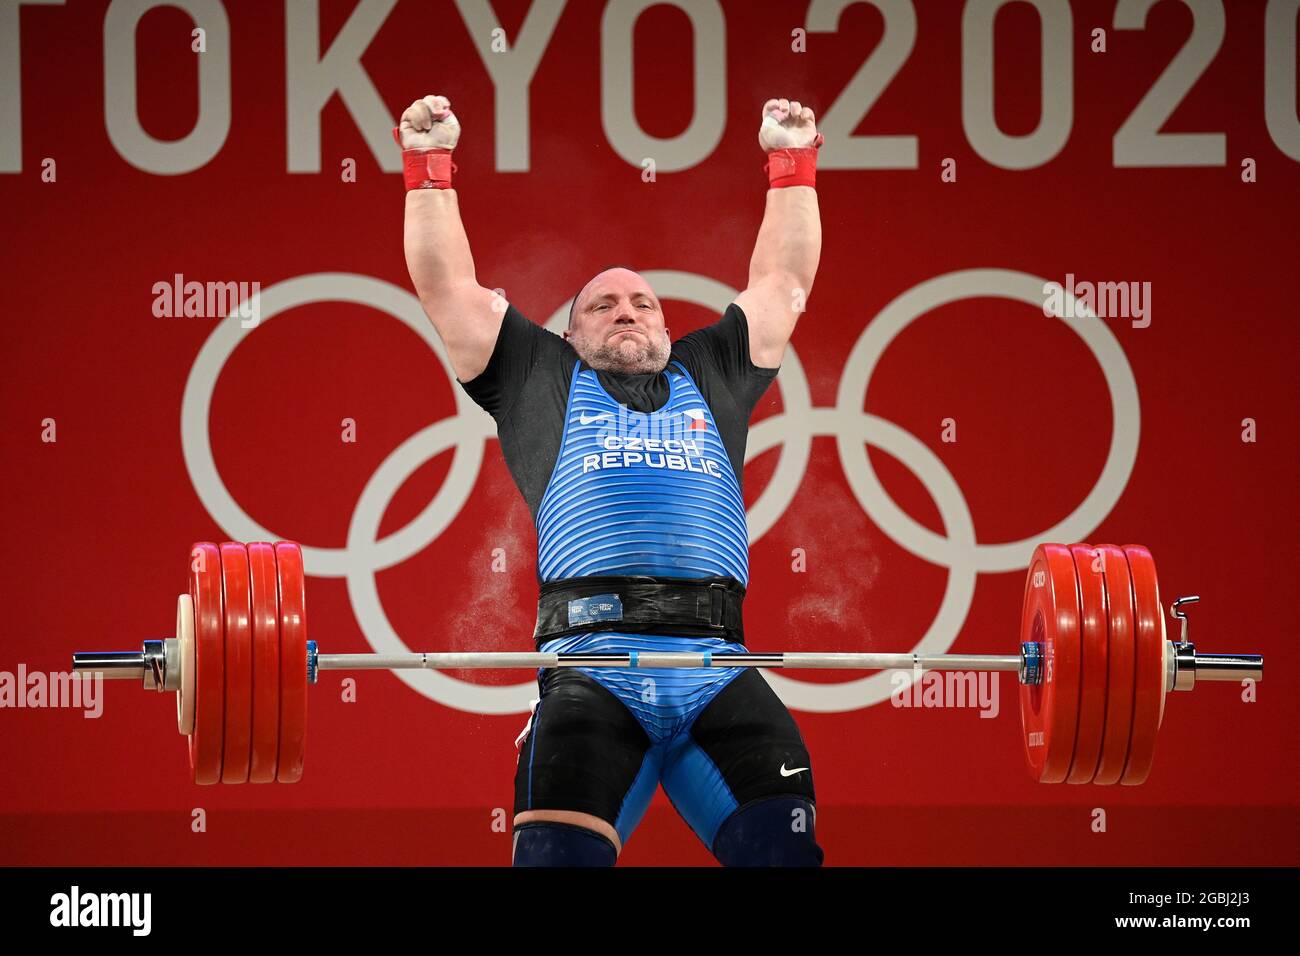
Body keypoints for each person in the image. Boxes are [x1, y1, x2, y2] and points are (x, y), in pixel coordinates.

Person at [398, 93, 824, 866]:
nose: (625, 311)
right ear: (570, 332)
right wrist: (430, 169)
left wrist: (792, 163)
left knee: (785, 857)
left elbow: (783, 281)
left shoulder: (714, 371)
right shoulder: (540, 379)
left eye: (642, 303)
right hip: (592, 673)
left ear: (666, 328)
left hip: (718, 669)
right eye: (602, 304)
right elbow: (447, 289)